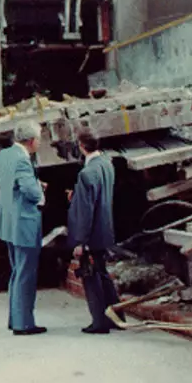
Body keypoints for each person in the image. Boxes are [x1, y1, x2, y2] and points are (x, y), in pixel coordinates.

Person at [0, 120, 47, 336]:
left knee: (17, 271)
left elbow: (13, 184)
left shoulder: (3, 156)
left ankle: (15, 318)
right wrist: (39, 190)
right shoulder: (23, 161)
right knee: (26, 272)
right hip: (23, 221)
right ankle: (23, 323)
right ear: (32, 140)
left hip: (7, 221)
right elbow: (30, 192)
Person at [67, 128, 122, 334]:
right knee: (103, 274)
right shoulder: (107, 165)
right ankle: (117, 317)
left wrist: (80, 242)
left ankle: (99, 322)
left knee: (91, 277)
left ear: (81, 146)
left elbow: (86, 211)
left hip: (90, 234)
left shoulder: (86, 173)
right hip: (104, 229)